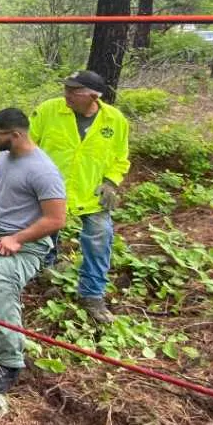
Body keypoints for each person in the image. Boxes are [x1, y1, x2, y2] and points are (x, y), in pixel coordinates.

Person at [0, 108, 66, 394]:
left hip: (27, 241)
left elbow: (56, 219)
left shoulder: (43, 170)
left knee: (0, 284)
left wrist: (18, 238)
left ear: (16, 135)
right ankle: (0, 337)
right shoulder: (4, 155)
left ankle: (9, 363)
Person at [30, 70, 130, 324]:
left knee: (99, 240)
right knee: (45, 233)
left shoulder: (114, 120)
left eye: (74, 91)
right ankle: (45, 272)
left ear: (93, 95)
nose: (67, 94)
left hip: (90, 193)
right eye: (66, 88)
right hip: (49, 190)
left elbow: (120, 157)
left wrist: (110, 182)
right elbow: (27, 146)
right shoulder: (48, 110)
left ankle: (92, 295)